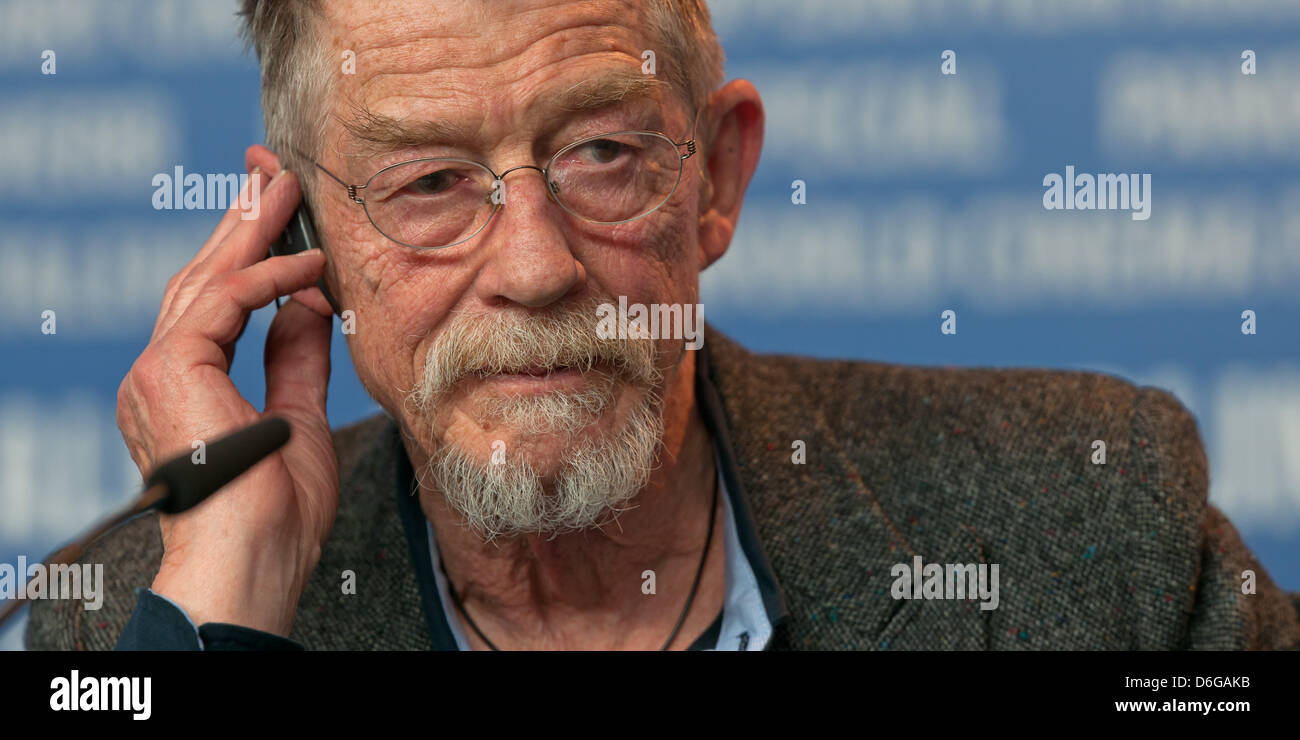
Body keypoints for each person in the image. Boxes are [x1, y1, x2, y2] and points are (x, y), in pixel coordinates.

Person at [27, 0, 1300, 650]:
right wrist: (219, 595)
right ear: (307, 243)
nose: (532, 268)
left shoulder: (1095, 517)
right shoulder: (127, 622)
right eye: (426, 185)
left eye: (599, 152)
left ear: (717, 179)